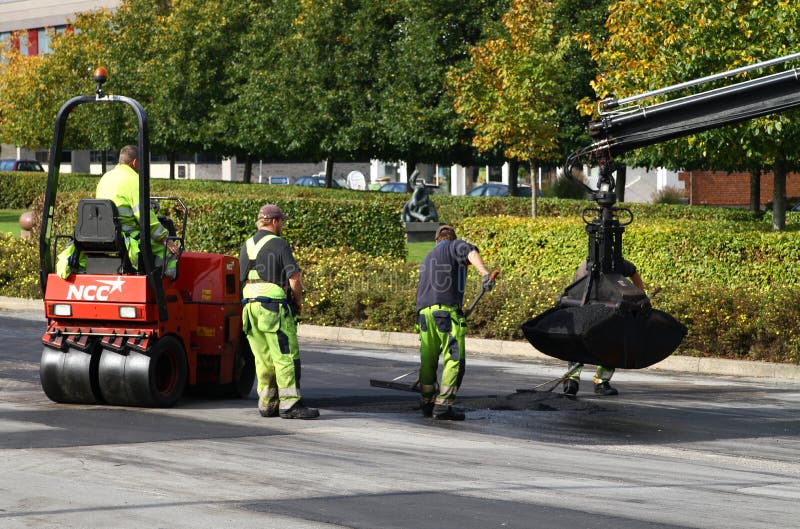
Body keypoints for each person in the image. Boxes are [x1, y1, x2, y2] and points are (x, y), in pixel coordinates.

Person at [239, 204, 319, 420]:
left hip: (249, 306)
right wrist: (298, 301)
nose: (282, 224)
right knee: (285, 356)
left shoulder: (246, 246)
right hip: (273, 307)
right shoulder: (279, 244)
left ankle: (267, 404)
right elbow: (294, 279)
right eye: (281, 221)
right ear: (274, 221)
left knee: (262, 358)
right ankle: (291, 405)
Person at [415, 225, 496, 421]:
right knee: (454, 359)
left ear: (436, 239)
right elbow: (470, 251)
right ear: (450, 238)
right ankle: (443, 407)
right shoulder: (453, 246)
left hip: (424, 314)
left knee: (428, 360)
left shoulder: (427, 258)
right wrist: (485, 274)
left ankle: (427, 403)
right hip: (445, 314)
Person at [563, 259, 646, 397]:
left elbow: (634, 273)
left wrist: (641, 296)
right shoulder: (587, 267)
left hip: (610, 308)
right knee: (579, 341)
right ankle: (571, 380)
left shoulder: (618, 264)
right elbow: (577, 292)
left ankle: (601, 381)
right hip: (586, 306)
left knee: (613, 341)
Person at [95, 145, 178, 278]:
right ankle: (164, 289)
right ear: (134, 162)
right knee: (169, 253)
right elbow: (145, 217)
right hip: (127, 235)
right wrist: (165, 239)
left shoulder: (105, 178)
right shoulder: (134, 181)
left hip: (103, 234)